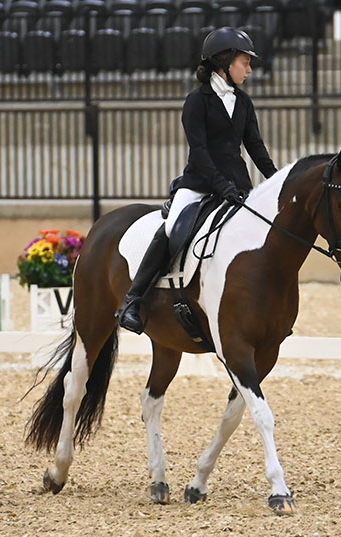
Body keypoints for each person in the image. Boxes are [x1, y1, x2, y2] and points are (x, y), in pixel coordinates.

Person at [117, 27, 277, 334]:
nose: (249, 70)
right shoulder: (197, 101)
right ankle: (133, 300)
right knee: (171, 230)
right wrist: (222, 186)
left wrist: (276, 182)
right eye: (245, 63)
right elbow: (200, 152)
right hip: (199, 185)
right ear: (224, 62)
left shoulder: (243, 102)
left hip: (237, 187)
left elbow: (256, 147)